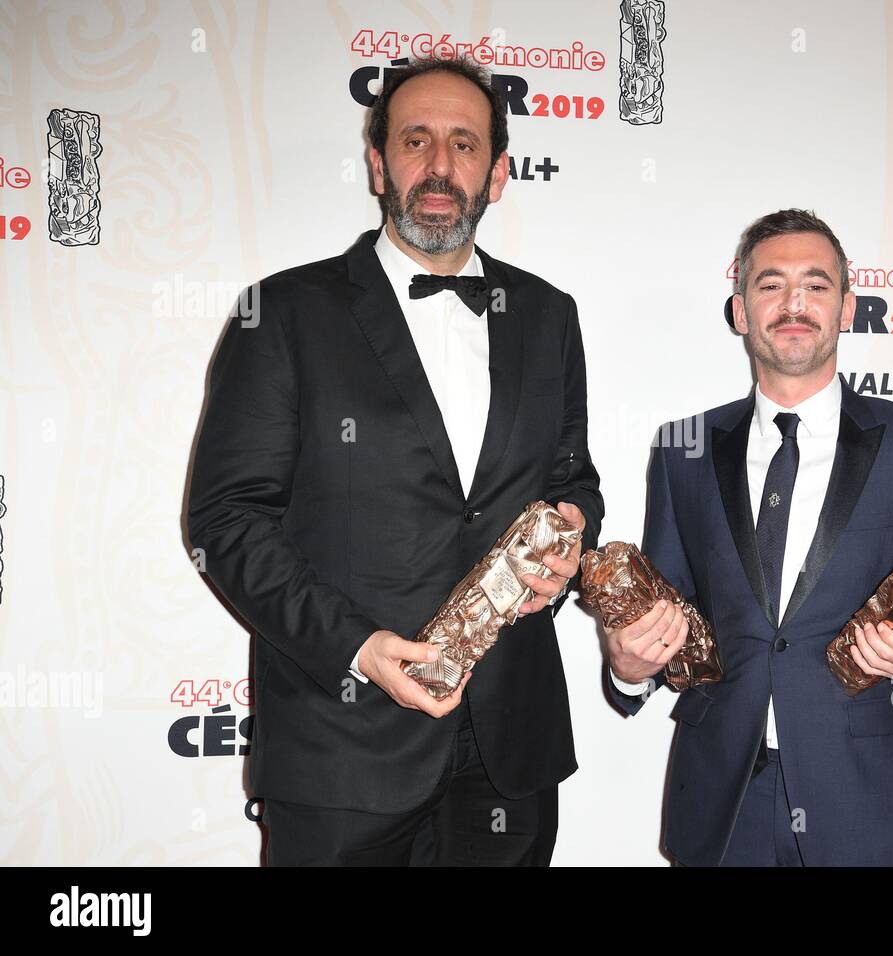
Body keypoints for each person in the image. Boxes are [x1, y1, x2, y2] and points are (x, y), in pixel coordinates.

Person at [187, 56, 602, 866]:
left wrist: (575, 529)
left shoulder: (549, 315)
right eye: (416, 141)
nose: (440, 166)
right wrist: (358, 647)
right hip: (341, 750)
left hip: (508, 755)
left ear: (501, 172)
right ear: (378, 164)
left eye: (465, 144)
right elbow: (226, 520)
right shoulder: (283, 313)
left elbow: (569, 475)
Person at [600, 209, 893, 866]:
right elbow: (662, 616)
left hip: (864, 800)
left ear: (847, 307)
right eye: (770, 285)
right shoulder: (684, 451)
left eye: (816, 285)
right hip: (723, 807)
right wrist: (627, 669)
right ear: (739, 311)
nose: (794, 303)